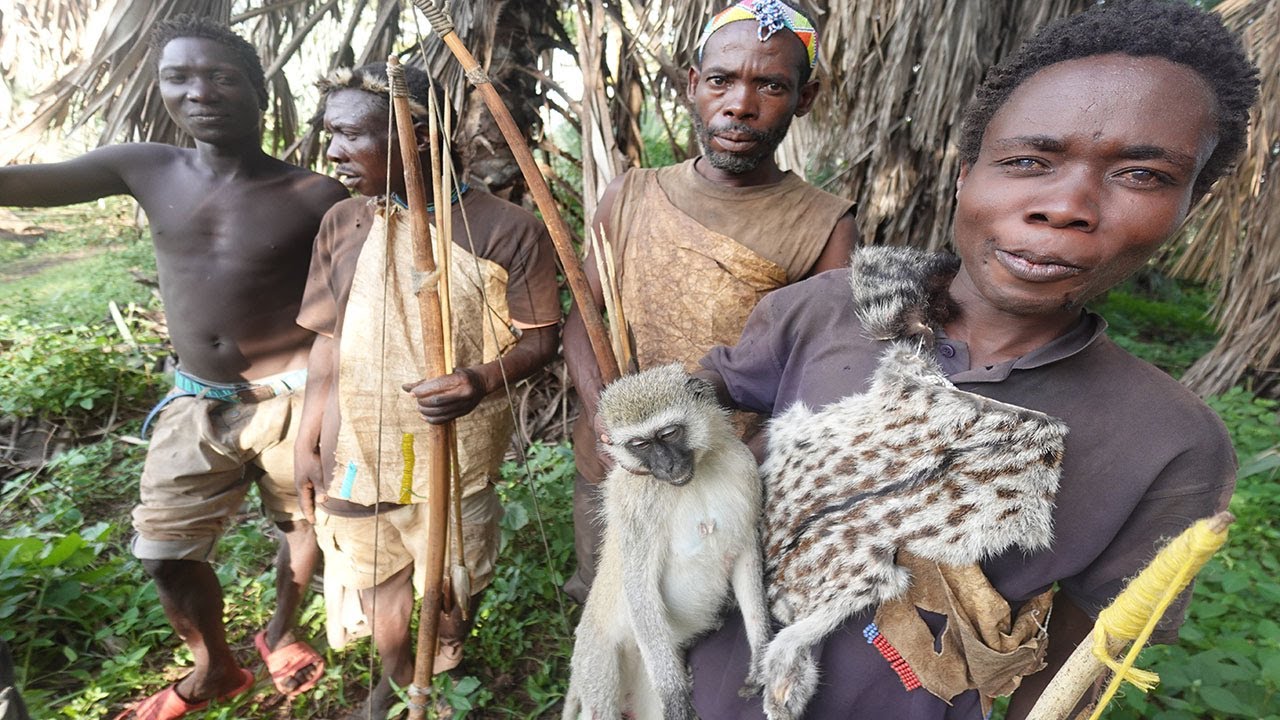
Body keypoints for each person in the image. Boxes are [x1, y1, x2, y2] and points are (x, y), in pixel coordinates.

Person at [682, 2, 1259, 718]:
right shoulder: (826, 308)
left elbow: (1087, 660)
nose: (1066, 206)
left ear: (1189, 207)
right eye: (1027, 162)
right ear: (965, 175)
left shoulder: (1169, 443)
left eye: (1142, 175)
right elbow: (712, 390)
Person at [0, 15, 349, 718]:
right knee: (163, 551)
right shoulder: (144, 167)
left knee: (301, 526)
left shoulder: (316, 196)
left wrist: (323, 415)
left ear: (259, 91)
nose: (200, 93)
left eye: (220, 77)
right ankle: (215, 667)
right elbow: (19, 185)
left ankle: (281, 631)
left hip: (292, 399)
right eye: (178, 78)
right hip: (195, 403)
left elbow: (342, 314)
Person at [562, 0, 859, 602]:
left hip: (726, 485)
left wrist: (730, 469)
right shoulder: (631, 195)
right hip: (613, 465)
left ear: (804, 98)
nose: (740, 104)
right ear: (694, 85)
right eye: (721, 80)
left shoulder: (824, 225)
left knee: (702, 619)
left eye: (770, 85)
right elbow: (582, 319)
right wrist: (604, 418)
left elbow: (824, 374)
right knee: (609, 604)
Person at [295, 61, 560, 719]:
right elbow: (327, 342)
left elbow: (539, 340)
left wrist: (479, 380)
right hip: (358, 448)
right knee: (374, 572)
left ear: (417, 135)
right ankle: (393, 676)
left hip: (456, 452)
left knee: (452, 585)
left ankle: (440, 664)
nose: (333, 152)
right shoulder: (343, 223)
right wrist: (308, 438)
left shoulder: (504, 228)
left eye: (352, 135)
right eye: (330, 134)